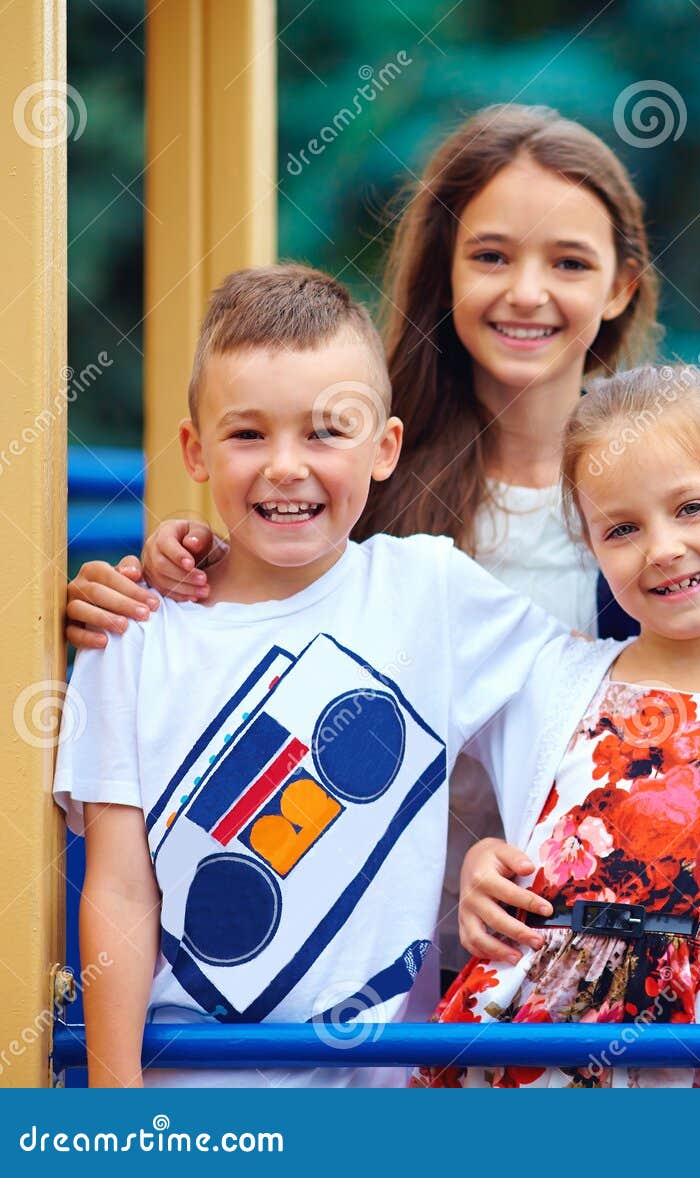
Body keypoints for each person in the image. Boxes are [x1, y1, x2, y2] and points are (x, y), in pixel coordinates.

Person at [61, 104, 700, 979]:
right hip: (370, 967)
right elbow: (271, 605)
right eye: (490, 256)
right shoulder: (364, 479)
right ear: (442, 274)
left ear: (619, 286)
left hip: (589, 969)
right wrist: (170, 569)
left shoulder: (672, 485)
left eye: (567, 262)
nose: (526, 292)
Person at [55, 264, 570, 1087]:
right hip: (200, 1092)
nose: (286, 466)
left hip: (388, 1100)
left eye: (327, 431)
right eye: (248, 434)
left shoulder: (430, 591)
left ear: (384, 448)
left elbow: (597, 697)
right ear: (196, 450)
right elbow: (118, 891)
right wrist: (117, 1112)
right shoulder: (133, 635)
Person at [411, 364, 700, 1089]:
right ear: (590, 547)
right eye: (623, 528)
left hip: (683, 1055)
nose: (662, 548)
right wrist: (478, 864)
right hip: (513, 1037)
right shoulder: (550, 673)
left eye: (690, 509)